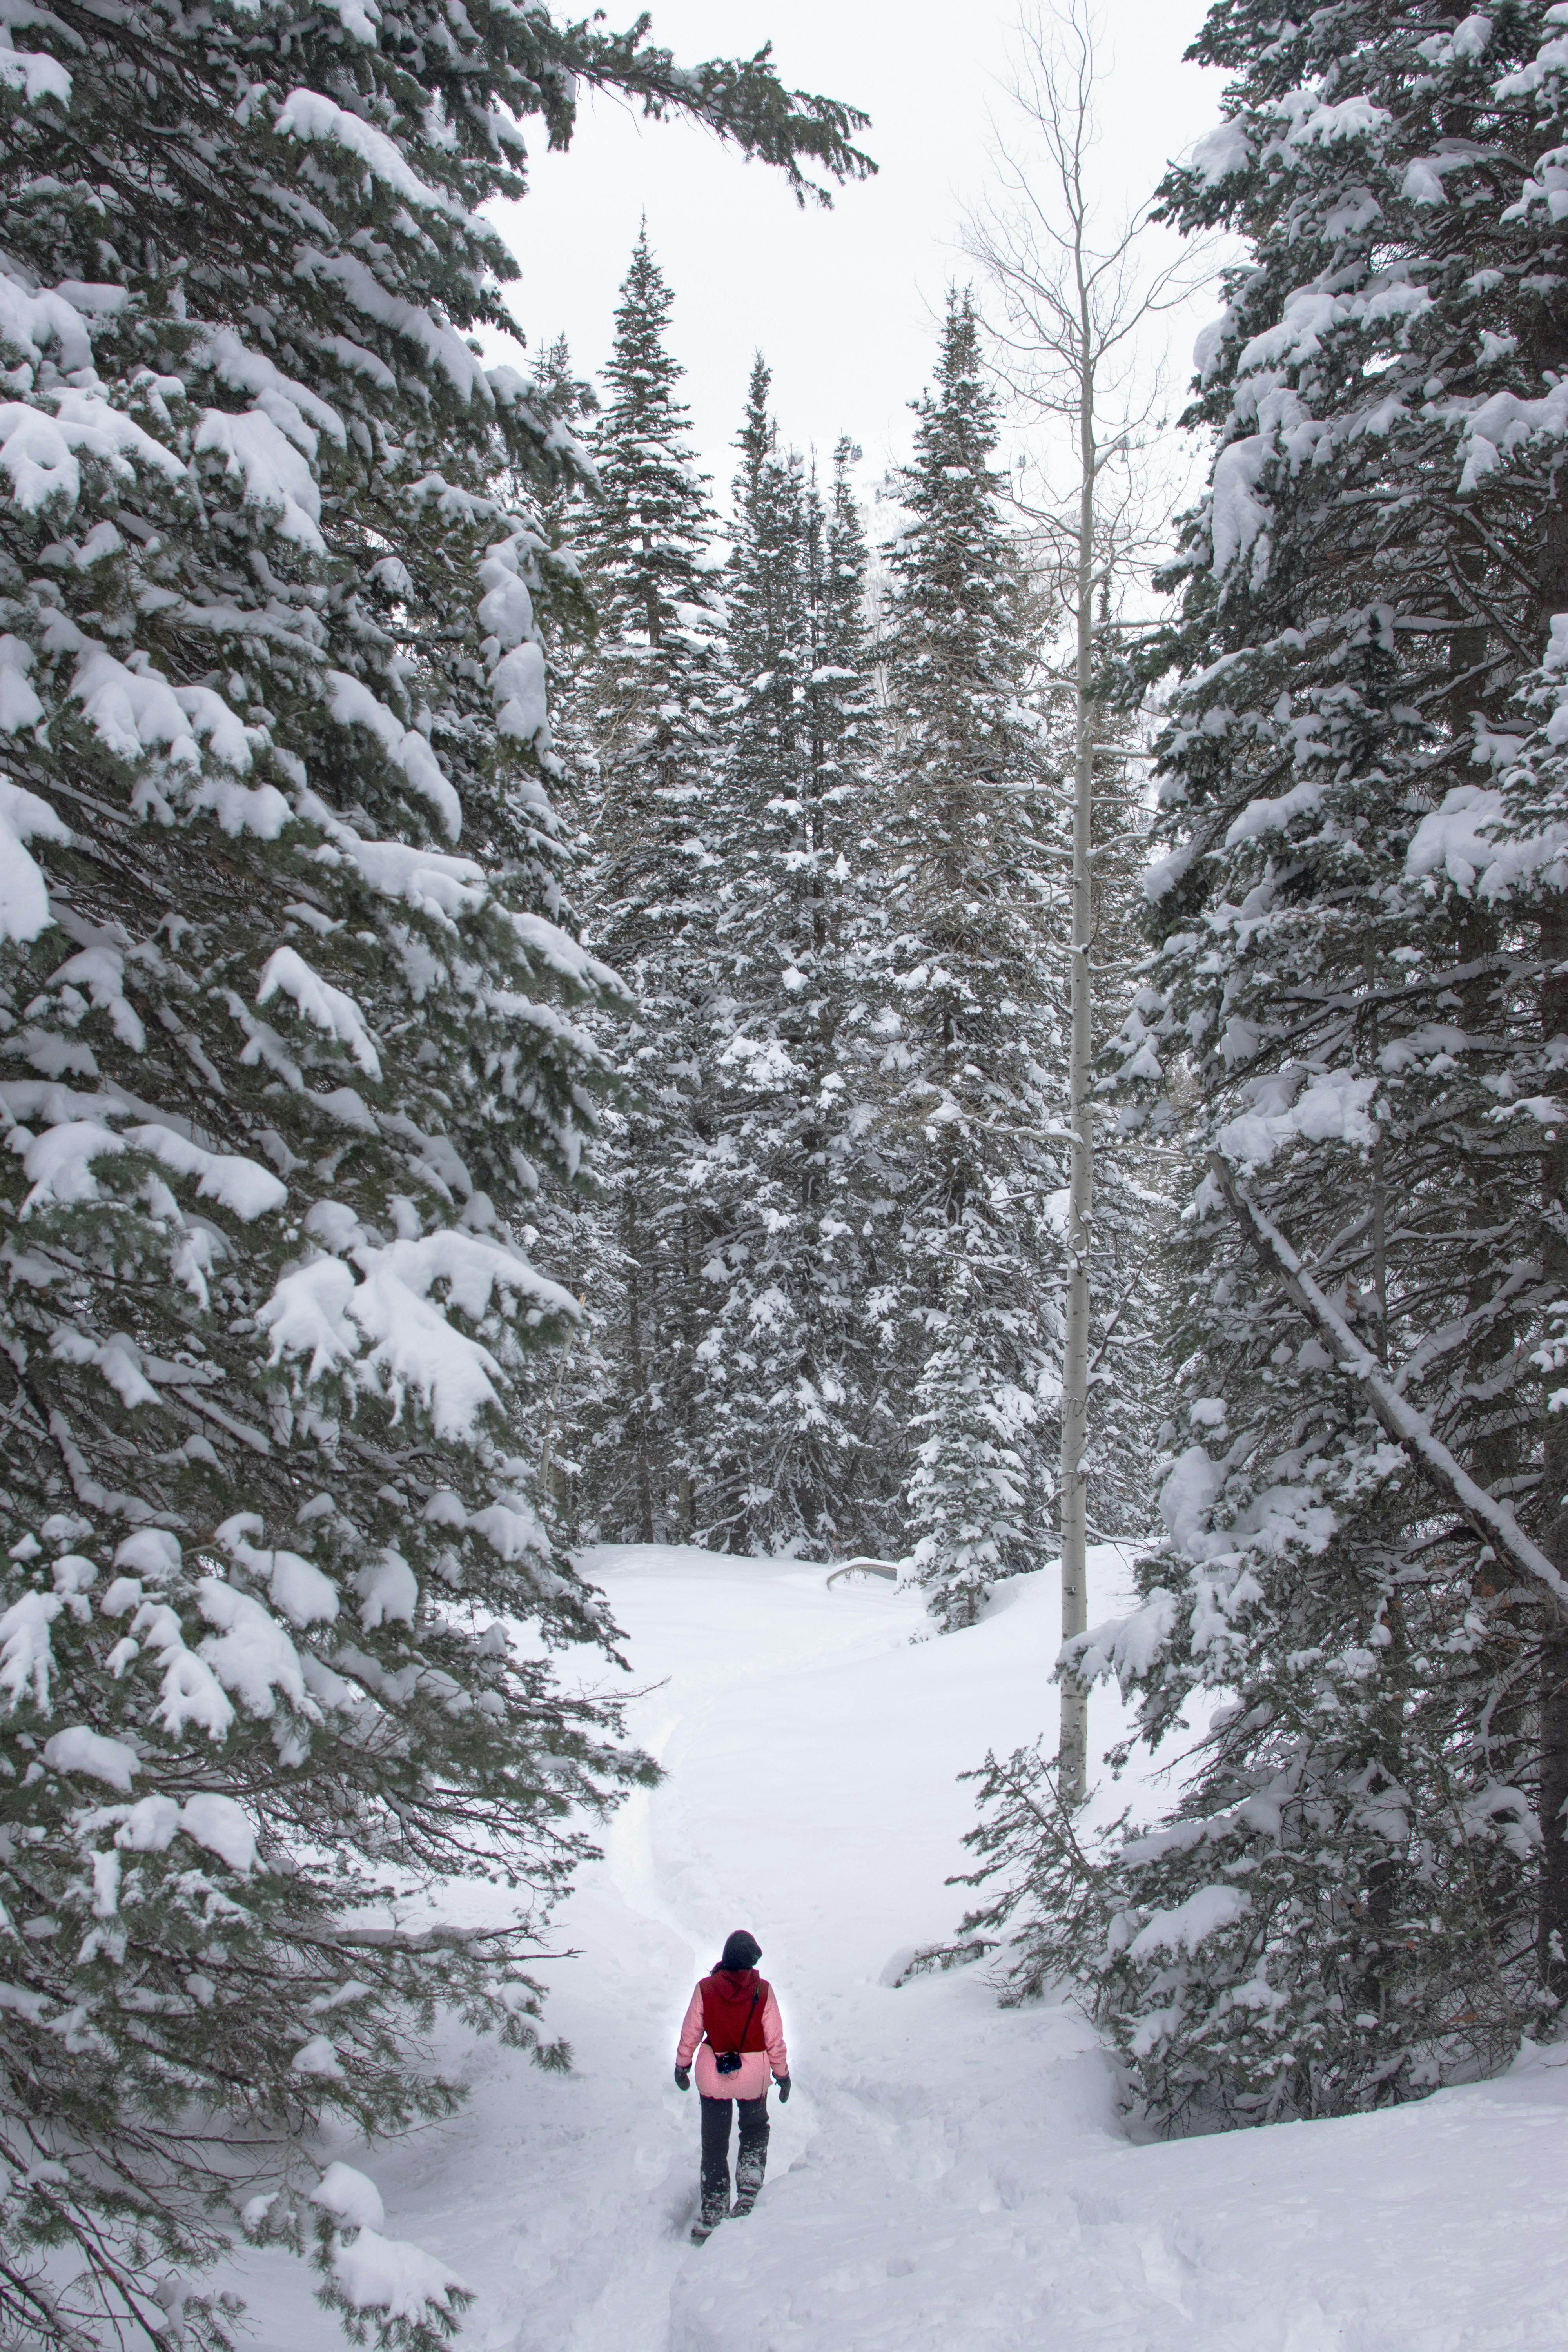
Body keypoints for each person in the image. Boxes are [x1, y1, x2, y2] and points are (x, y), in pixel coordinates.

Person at [673, 1929, 791, 2242]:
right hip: (753, 2079)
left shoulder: (706, 1989)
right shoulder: (763, 1991)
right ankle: (749, 2191)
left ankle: (713, 2208)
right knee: (754, 2129)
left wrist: (682, 2065)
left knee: (714, 2142)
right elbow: (774, 2040)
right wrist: (782, 2075)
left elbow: (691, 2033)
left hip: (714, 2077)